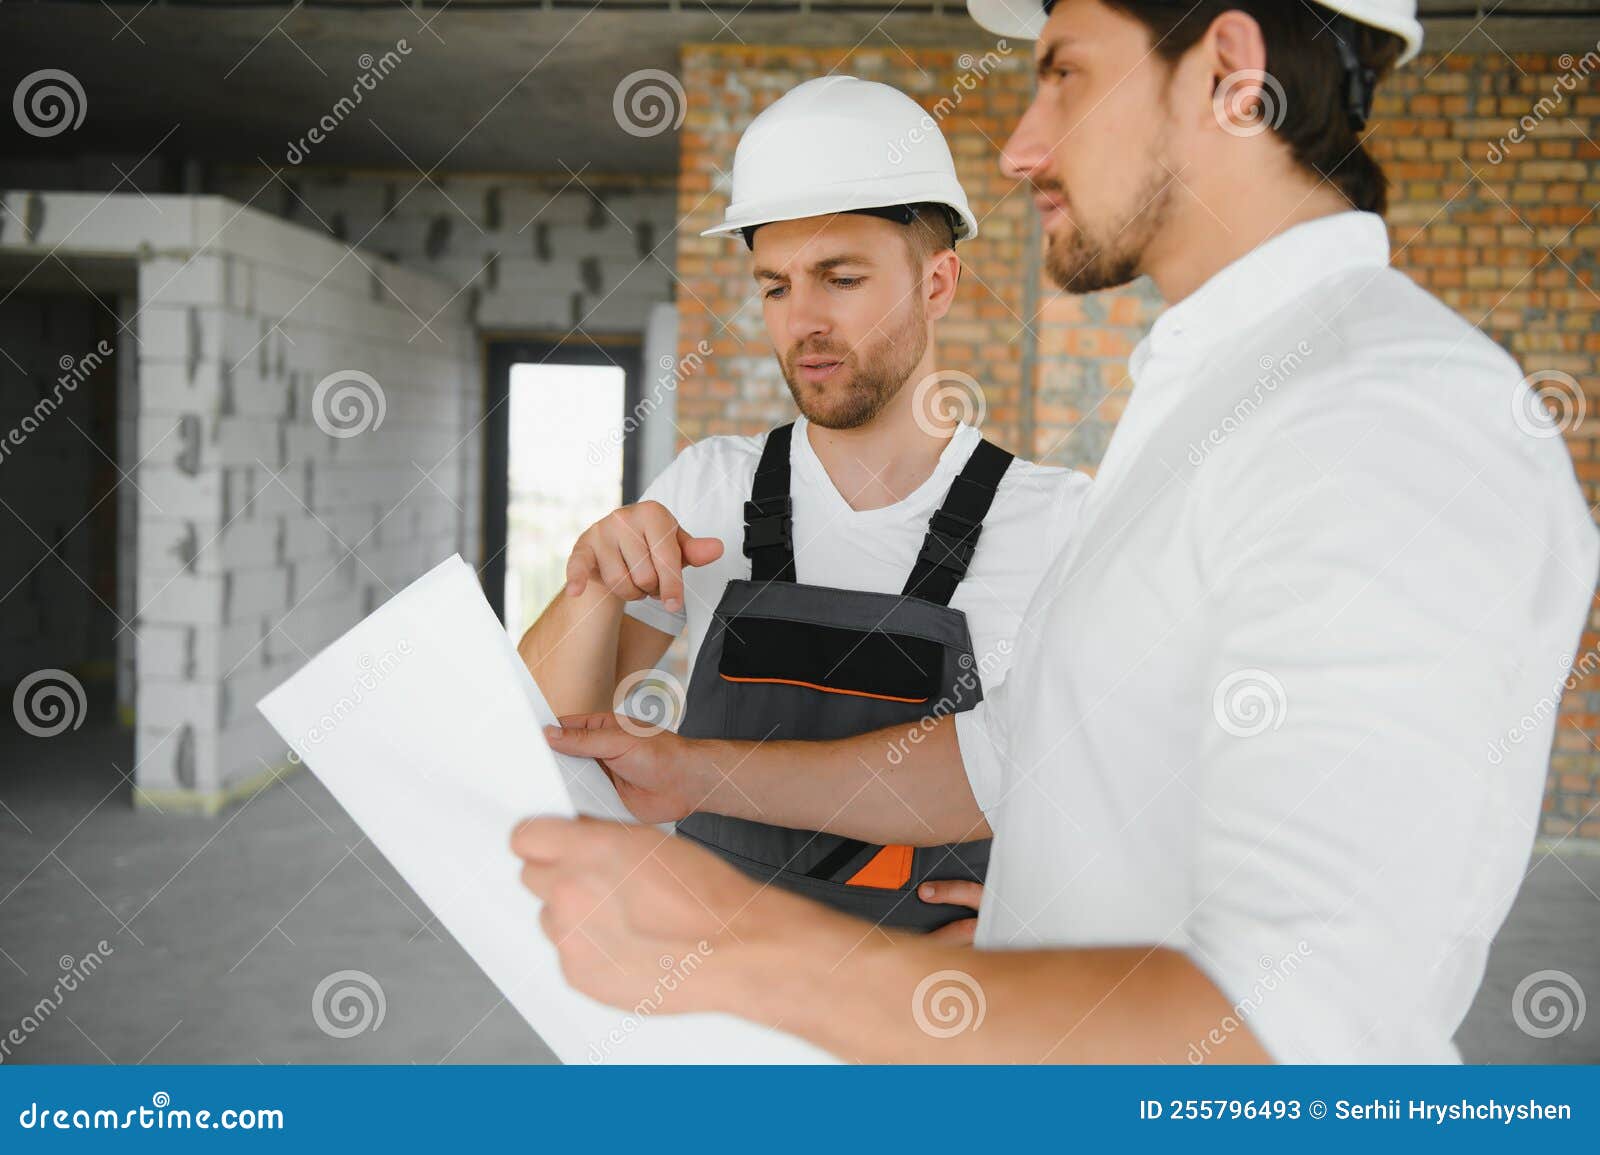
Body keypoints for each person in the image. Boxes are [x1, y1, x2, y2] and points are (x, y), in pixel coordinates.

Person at [514, 0, 1599, 1062]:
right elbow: (1003, 761)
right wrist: (692, 774)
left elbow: (1301, 1026)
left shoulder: (1378, 415)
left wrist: (748, 953)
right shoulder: (1212, 405)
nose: (1023, 146)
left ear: (1230, 69)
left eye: (1065, 73)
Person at [516, 75, 1090, 939]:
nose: (803, 321)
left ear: (938, 283)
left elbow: (1128, 778)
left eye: (841, 278)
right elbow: (541, 744)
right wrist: (591, 585)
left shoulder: (1055, 523)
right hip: (712, 985)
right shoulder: (710, 492)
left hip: (931, 1005)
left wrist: (1046, 916)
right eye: (776, 286)